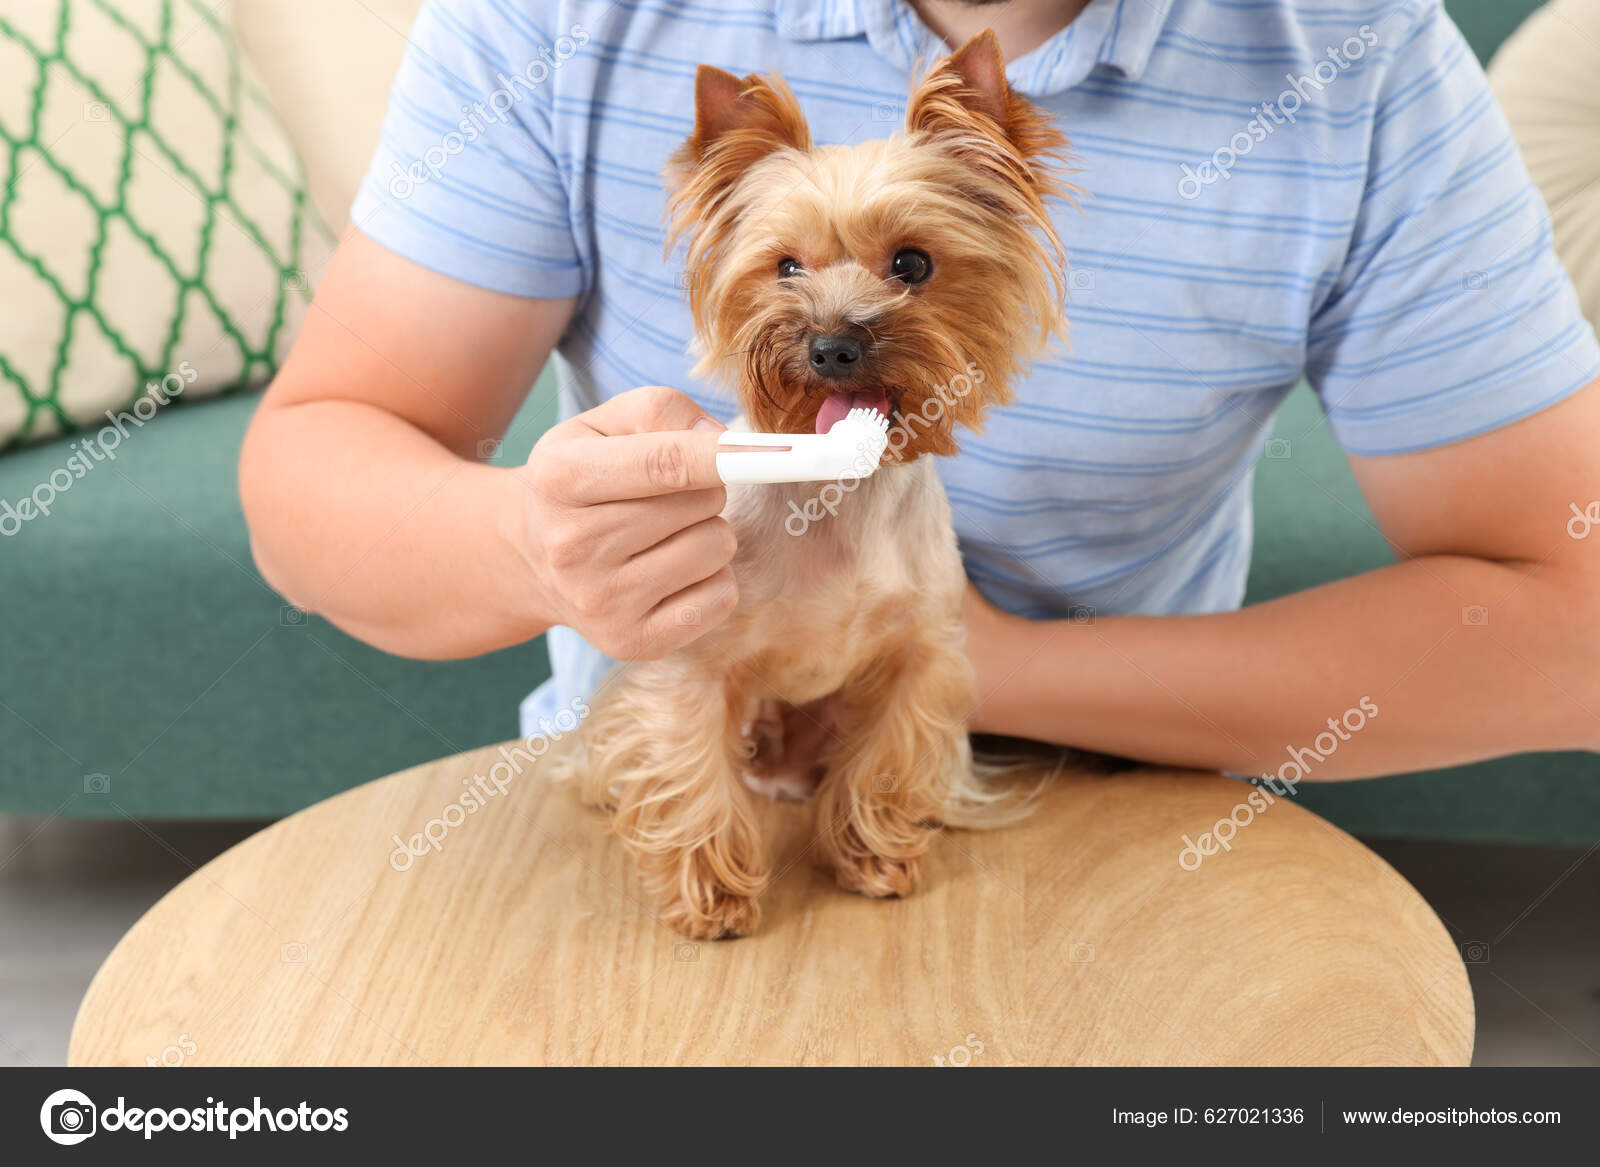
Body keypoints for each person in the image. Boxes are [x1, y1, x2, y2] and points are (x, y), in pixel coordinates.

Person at [240, 0, 1600, 783]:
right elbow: (307, 481)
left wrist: (975, 664)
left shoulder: (1358, 53)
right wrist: (538, 549)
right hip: (680, 780)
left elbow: (1577, 628)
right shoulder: (565, 19)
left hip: (1115, 809)